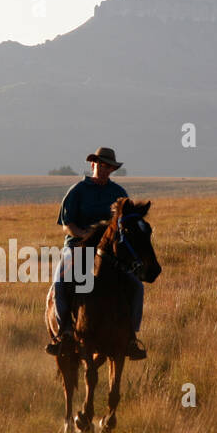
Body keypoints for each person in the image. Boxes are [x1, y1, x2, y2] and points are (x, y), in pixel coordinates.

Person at [45, 147, 146, 359]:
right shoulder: (77, 191)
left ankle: (131, 337)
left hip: (110, 253)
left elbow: (125, 224)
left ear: (112, 169)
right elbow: (66, 224)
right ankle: (64, 332)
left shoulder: (119, 194)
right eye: (101, 165)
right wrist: (83, 235)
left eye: (108, 166)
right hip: (77, 247)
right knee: (59, 283)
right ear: (93, 165)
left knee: (136, 286)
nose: (104, 169)